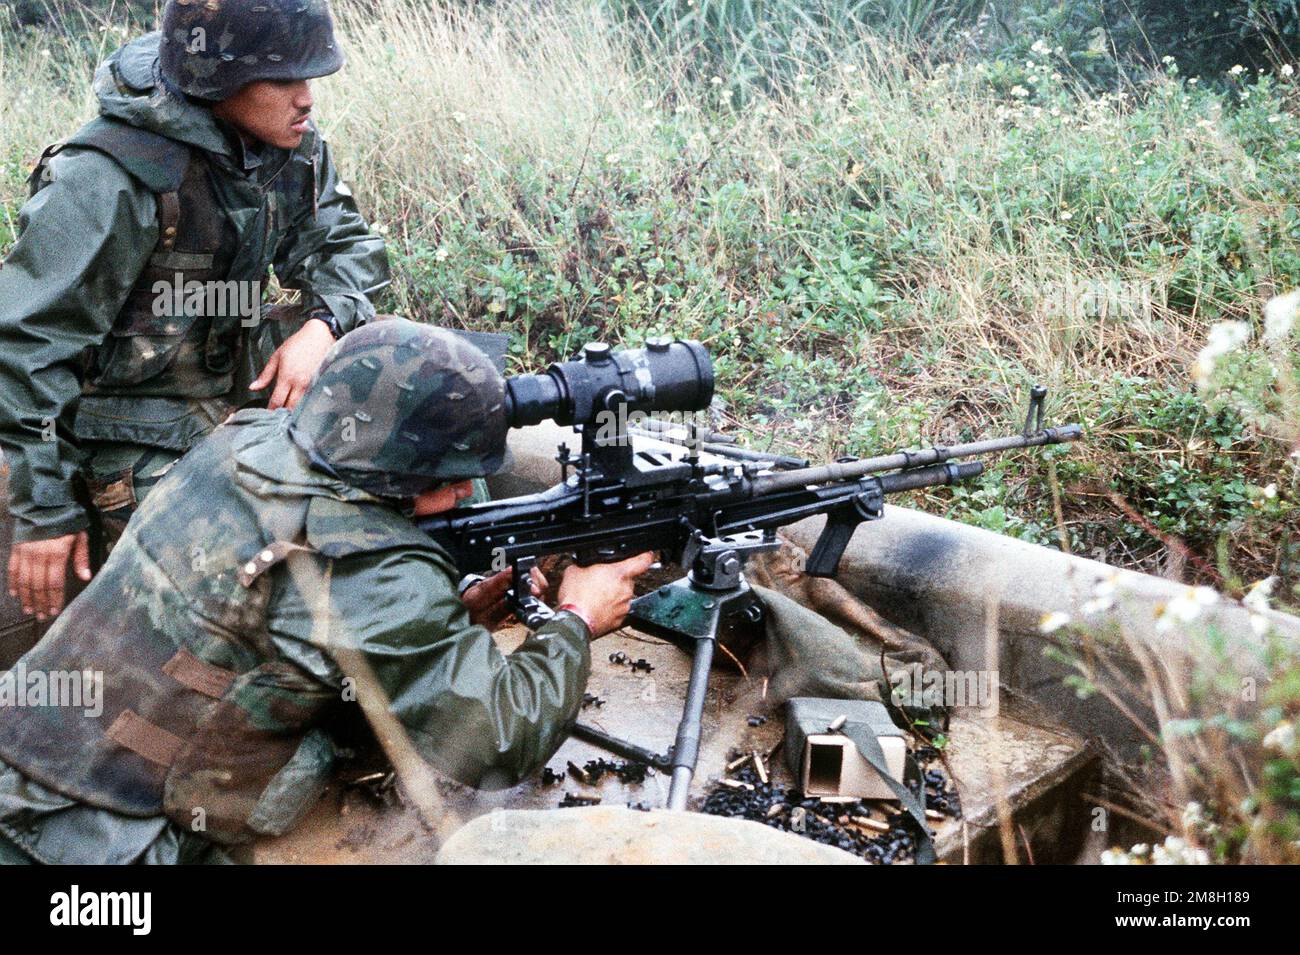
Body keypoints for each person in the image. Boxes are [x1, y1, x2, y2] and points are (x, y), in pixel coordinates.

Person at [0, 319, 653, 864]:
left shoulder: (252, 439)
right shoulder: (362, 557)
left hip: (28, 743)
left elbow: (289, 617)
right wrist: (576, 615)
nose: (462, 493)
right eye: (448, 480)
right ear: (392, 472)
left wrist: (453, 614)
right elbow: (503, 738)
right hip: (87, 834)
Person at [0, 0, 388, 623]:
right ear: (218, 82)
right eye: (284, 79)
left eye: (309, 77)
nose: (307, 99)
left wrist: (324, 324)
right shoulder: (109, 176)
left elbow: (349, 248)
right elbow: (25, 345)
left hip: (245, 405)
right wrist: (44, 511)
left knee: (418, 422)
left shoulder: (285, 149)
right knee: (229, 605)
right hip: (130, 431)